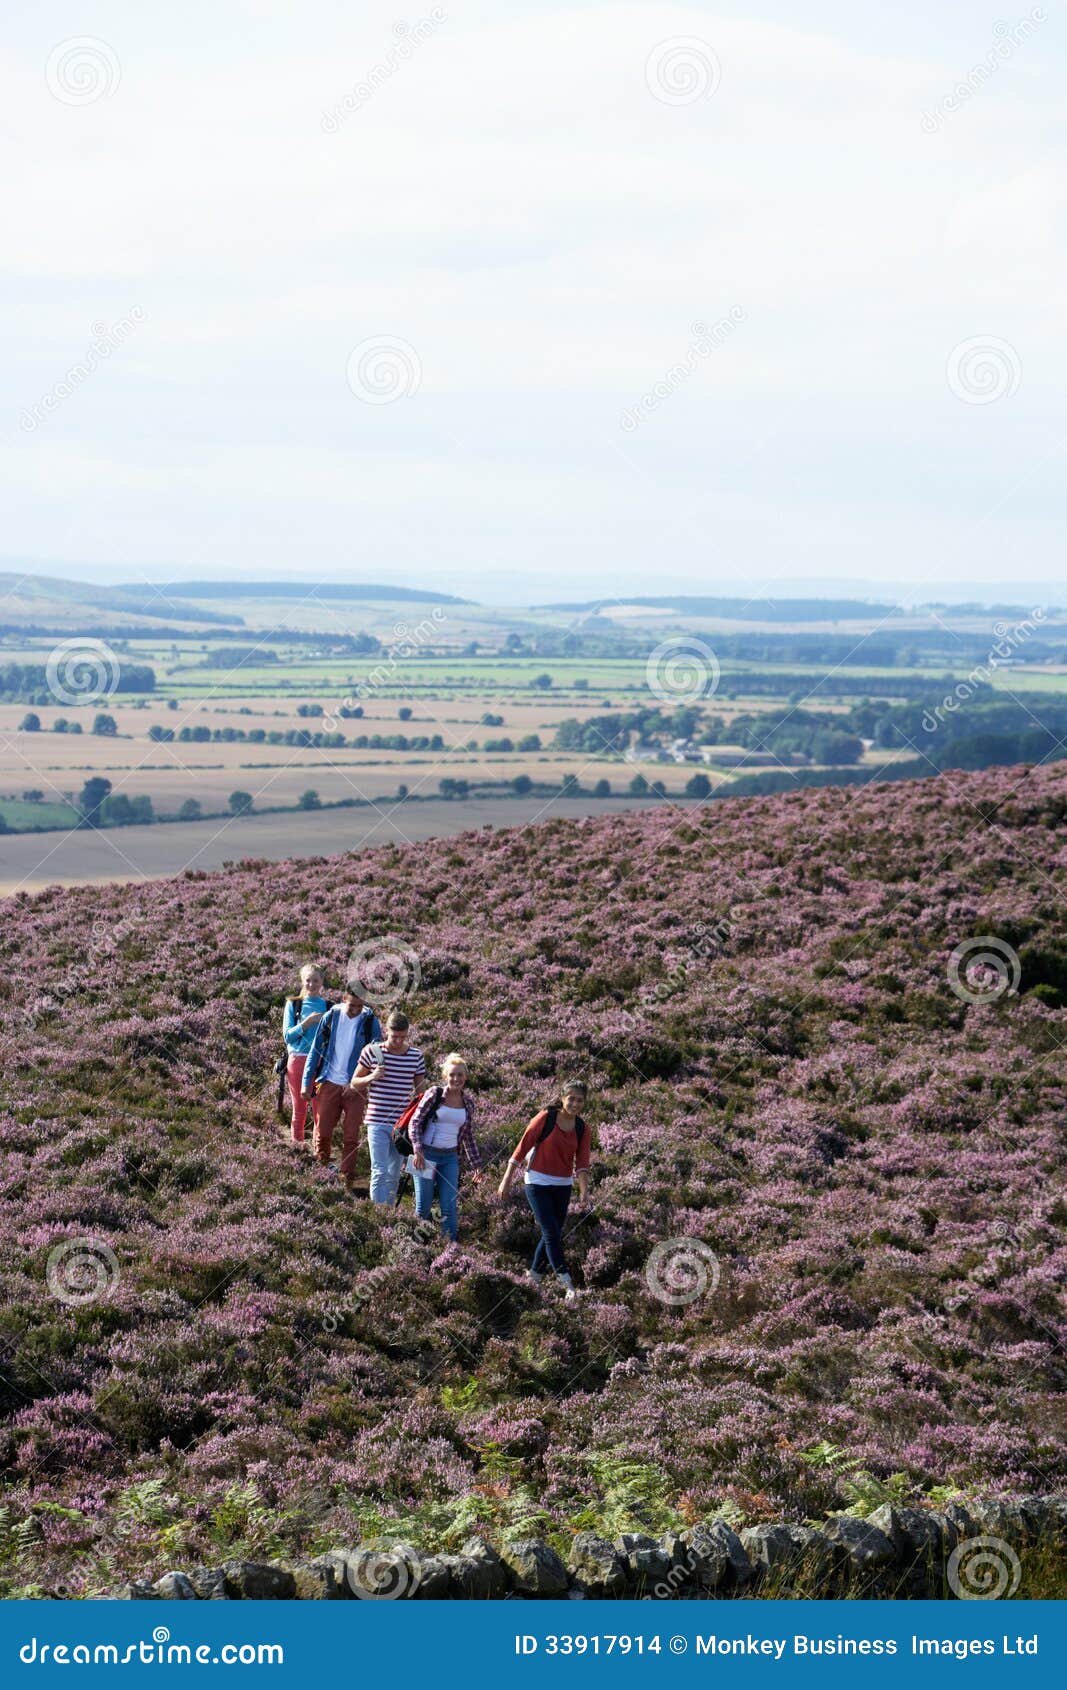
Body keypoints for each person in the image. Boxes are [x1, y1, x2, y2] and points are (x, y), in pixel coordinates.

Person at [497, 1081, 591, 1299]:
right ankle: (566, 1282)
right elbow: (522, 1148)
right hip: (537, 1181)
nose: (575, 1103)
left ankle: (534, 1278)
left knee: (553, 1233)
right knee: (550, 1232)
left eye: (580, 1100)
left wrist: (584, 1190)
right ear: (562, 1097)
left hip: (563, 1185)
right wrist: (506, 1179)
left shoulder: (582, 1128)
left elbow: (583, 1163)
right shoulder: (545, 1118)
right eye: (571, 1098)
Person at [301, 982, 381, 1189]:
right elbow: (315, 1050)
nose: (355, 1010)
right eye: (351, 1005)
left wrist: (359, 1080)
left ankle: (347, 1178)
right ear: (344, 998)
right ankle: (321, 1169)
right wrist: (306, 1082)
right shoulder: (332, 1017)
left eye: (359, 1006)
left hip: (355, 1088)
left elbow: (377, 1054)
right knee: (323, 1130)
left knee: (351, 1136)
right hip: (330, 1082)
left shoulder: (370, 1020)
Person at [350, 1010, 426, 1207]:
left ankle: (388, 1213)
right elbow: (354, 1083)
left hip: (401, 1125)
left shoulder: (416, 1056)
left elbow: (420, 1094)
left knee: (394, 1172)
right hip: (376, 1120)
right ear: (386, 1031)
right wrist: (372, 1076)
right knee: (379, 1170)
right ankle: (378, 1214)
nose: (399, 1041)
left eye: (403, 1037)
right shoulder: (372, 1051)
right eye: (394, 1037)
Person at [408, 1053, 482, 1241]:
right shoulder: (434, 1094)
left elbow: (468, 1137)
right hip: (425, 1155)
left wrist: (477, 1165)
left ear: (466, 1077)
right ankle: (415, 1249)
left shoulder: (469, 1103)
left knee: (449, 1206)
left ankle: (450, 1248)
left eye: (460, 1075)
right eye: (452, 1075)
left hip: (450, 1159)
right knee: (423, 1207)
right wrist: (417, 1150)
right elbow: (415, 1122)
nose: (456, 1079)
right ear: (445, 1076)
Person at [281, 964, 329, 1145]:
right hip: (298, 1060)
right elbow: (288, 1036)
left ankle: (319, 1155)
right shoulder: (294, 1004)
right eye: (308, 980)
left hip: (321, 1063)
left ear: (322, 982)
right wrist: (307, 1023)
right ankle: (298, 1151)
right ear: (302, 981)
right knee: (299, 1109)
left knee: (320, 1111)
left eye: (315, 980)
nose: (311, 984)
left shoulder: (329, 1006)